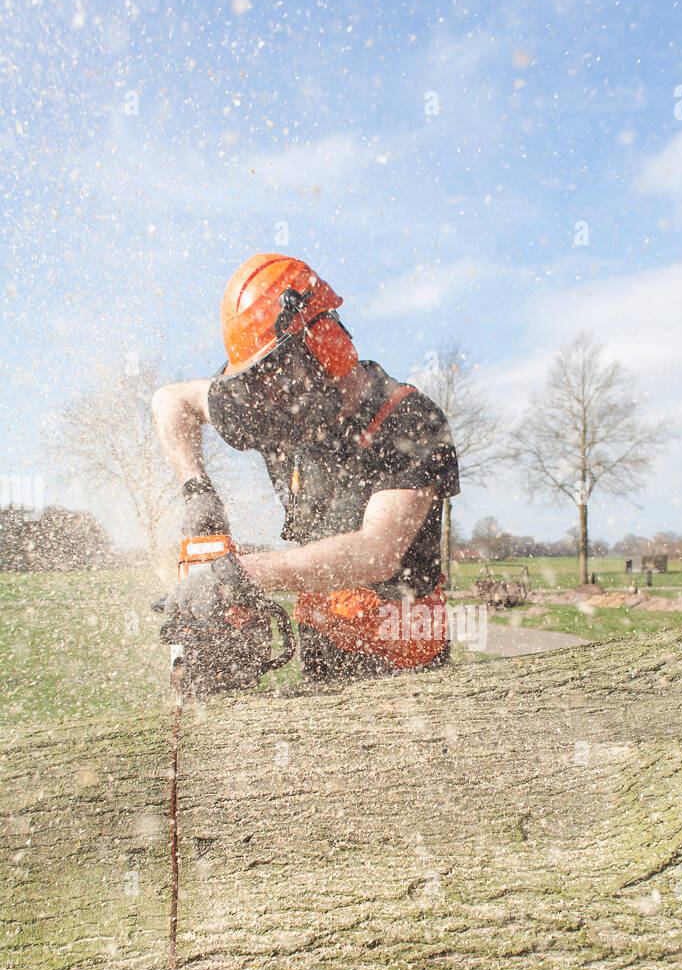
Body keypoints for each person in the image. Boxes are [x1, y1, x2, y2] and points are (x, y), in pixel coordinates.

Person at [152, 253, 460, 685]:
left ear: (325, 342)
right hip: (322, 651)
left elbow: (378, 551)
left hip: (408, 664)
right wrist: (197, 490)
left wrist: (242, 575)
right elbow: (171, 402)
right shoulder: (270, 406)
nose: (270, 394)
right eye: (259, 380)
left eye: (277, 374)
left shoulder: (408, 420)